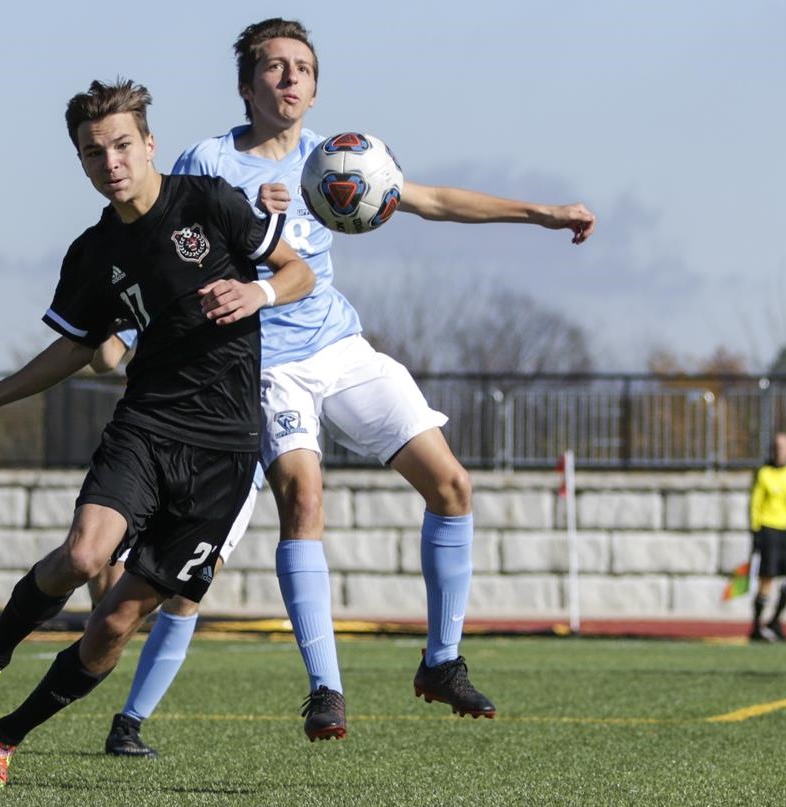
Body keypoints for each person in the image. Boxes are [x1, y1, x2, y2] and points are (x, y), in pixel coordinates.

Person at [169, 17, 598, 741]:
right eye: (274, 67)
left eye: (302, 66)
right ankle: (326, 689)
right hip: (264, 367)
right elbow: (173, 250)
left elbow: (432, 199)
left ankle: (442, 660)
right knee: (304, 495)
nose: (290, 77)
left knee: (453, 485)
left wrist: (544, 214)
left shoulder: (336, 160)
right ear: (247, 86)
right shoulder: (208, 161)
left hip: (341, 349)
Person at [0, 78, 314, 789]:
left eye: (123, 144)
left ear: (150, 143)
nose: (112, 161)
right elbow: (73, 348)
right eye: (93, 151)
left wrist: (257, 291)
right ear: (81, 162)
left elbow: (298, 271)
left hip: (224, 453)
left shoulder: (210, 202)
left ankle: (6, 735)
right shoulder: (92, 253)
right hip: (147, 425)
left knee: (113, 621)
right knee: (83, 552)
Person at [86, 329, 263, 759]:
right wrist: (90, 311)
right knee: (111, 596)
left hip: (233, 462)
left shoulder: (275, 286)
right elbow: (106, 357)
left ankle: (129, 724)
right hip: (157, 448)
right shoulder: (168, 274)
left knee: (186, 592)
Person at [748, 432, 786, 642]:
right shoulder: (764, 473)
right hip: (767, 530)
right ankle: (755, 627)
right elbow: (755, 503)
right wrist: (755, 531)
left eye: (783, 447)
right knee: (767, 580)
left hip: (784, 532)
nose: (779, 451)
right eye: (776, 447)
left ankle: (774, 621)